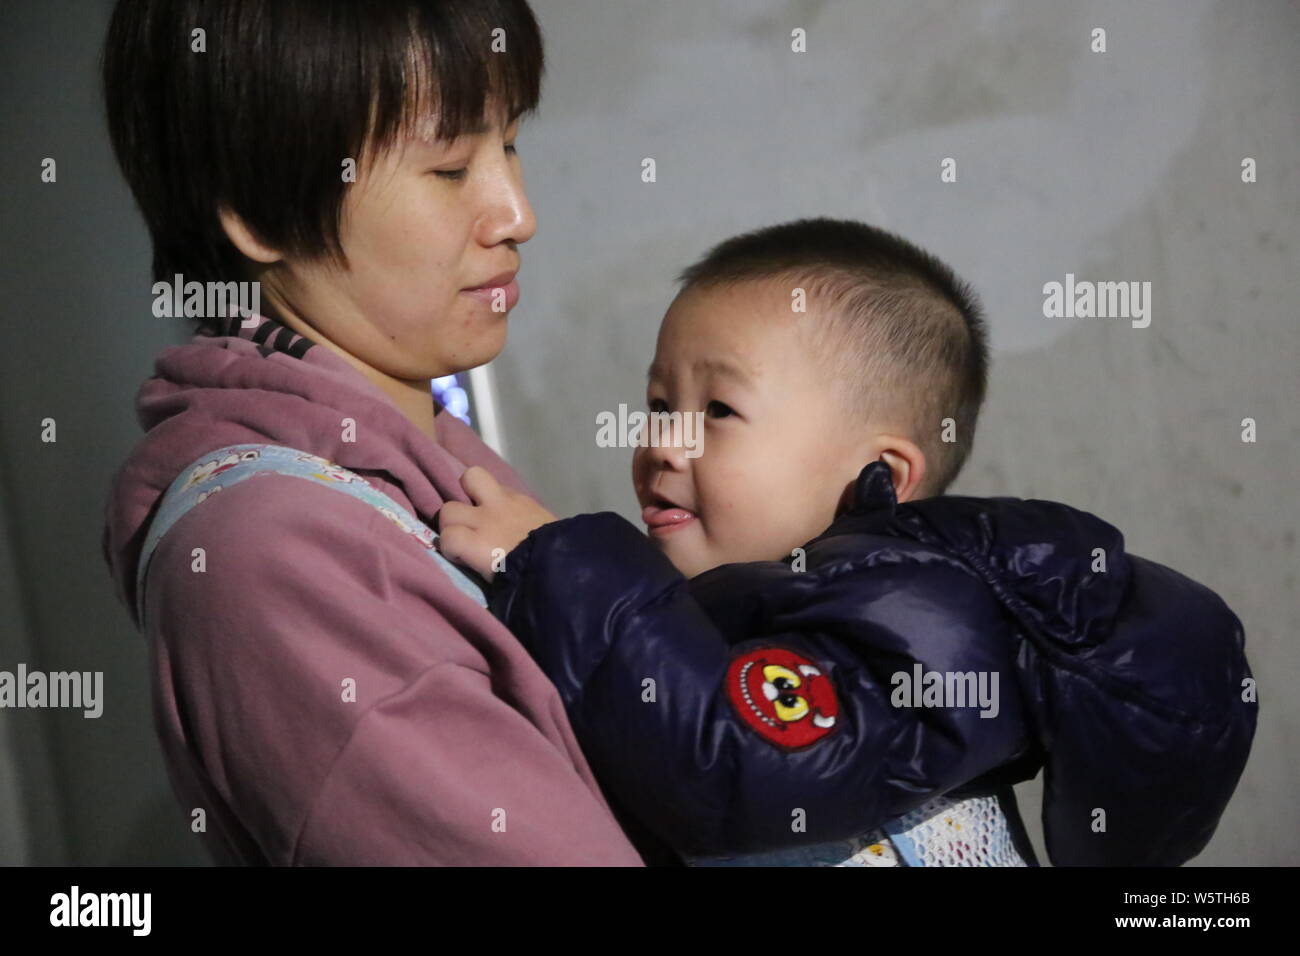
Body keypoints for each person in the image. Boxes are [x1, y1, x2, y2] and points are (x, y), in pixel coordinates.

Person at [438, 217, 1258, 865]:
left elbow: (729, 762)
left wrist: (552, 564)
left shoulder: (920, 620)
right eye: (659, 407)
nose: (664, 443)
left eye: (718, 411)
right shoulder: (793, 605)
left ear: (878, 473)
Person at [100, 0, 649, 866]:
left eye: (508, 144)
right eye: (447, 167)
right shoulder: (274, 555)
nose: (516, 212)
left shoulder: (427, 464)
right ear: (259, 209)